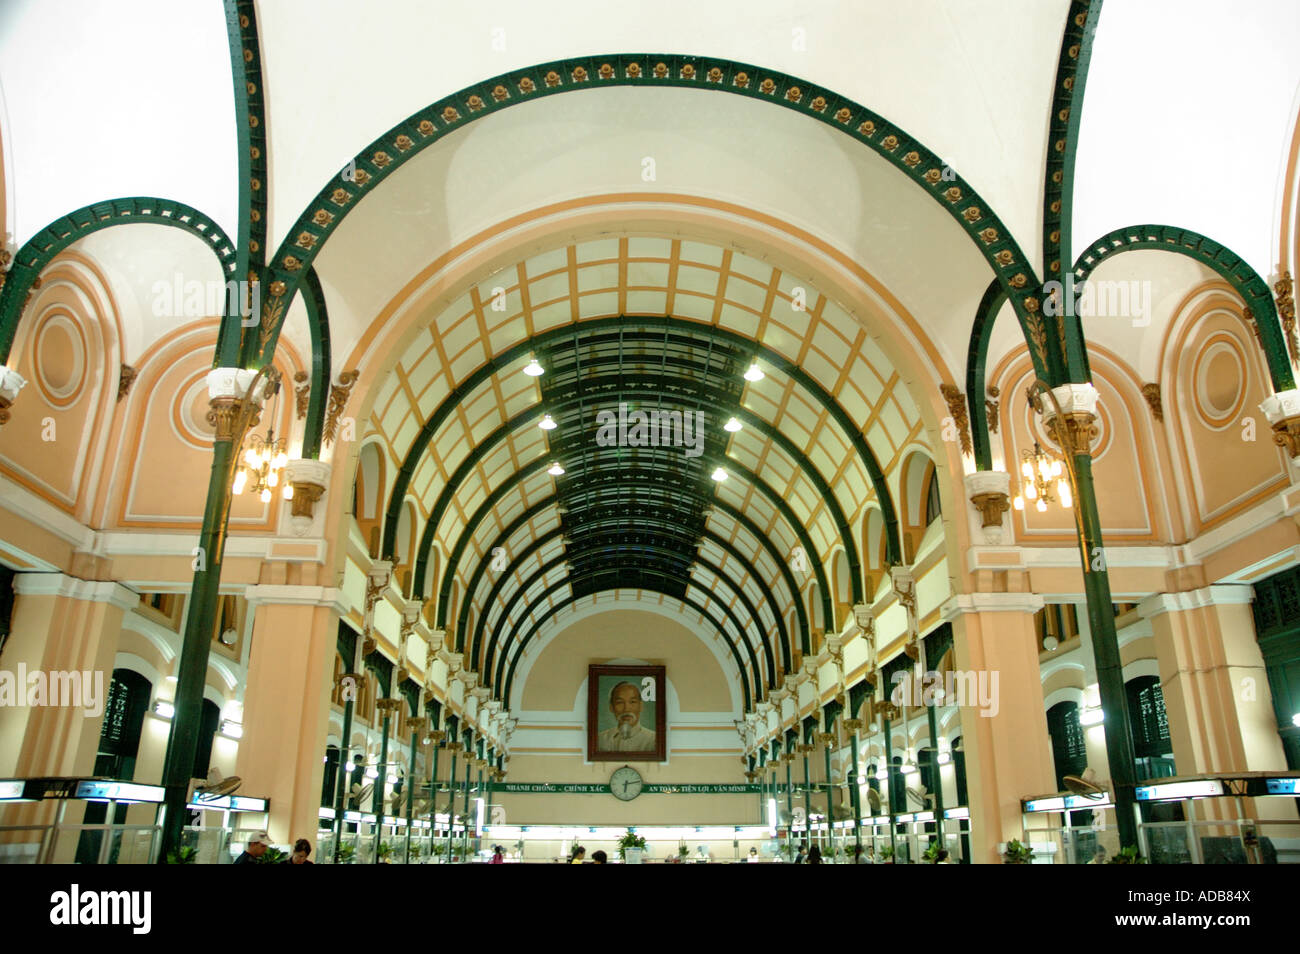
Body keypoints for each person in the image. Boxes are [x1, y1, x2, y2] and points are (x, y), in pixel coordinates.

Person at [596, 681, 657, 752]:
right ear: (611, 707)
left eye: (632, 702)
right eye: (620, 702)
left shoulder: (653, 740)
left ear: (641, 706)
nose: (627, 709)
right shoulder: (600, 740)